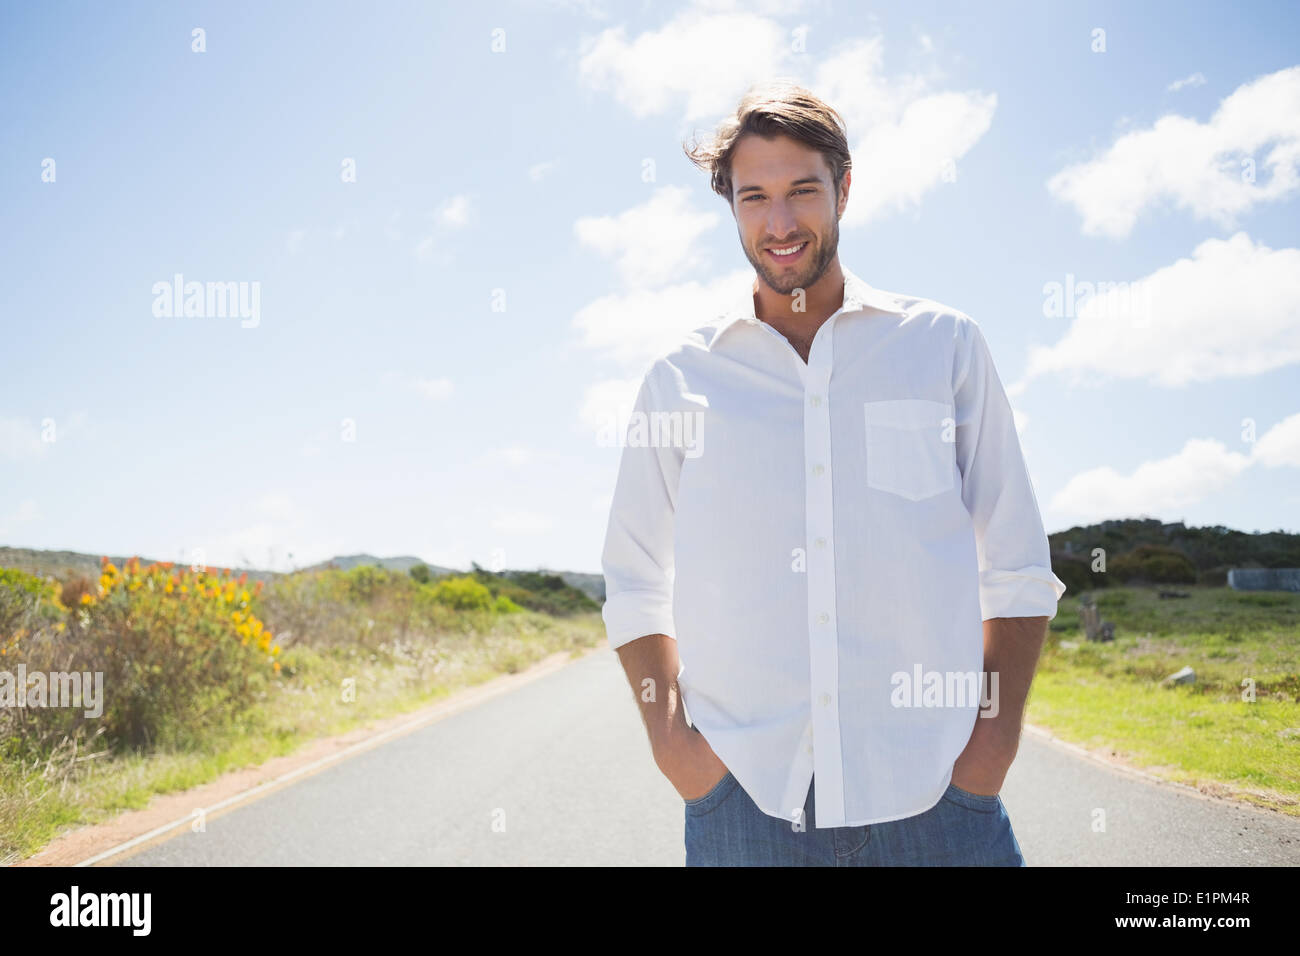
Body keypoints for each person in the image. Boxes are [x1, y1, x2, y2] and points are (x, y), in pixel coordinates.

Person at [600, 80, 1067, 866]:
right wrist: (677, 750)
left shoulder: (943, 346)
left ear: (843, 189)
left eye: (801, 192)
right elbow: (633, 576)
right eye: (754, 197)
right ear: (731, 207)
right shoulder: (679, 377)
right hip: (746, 806)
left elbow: (1017, 565)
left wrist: (987, 754)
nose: (779, 223)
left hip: (935, 802)